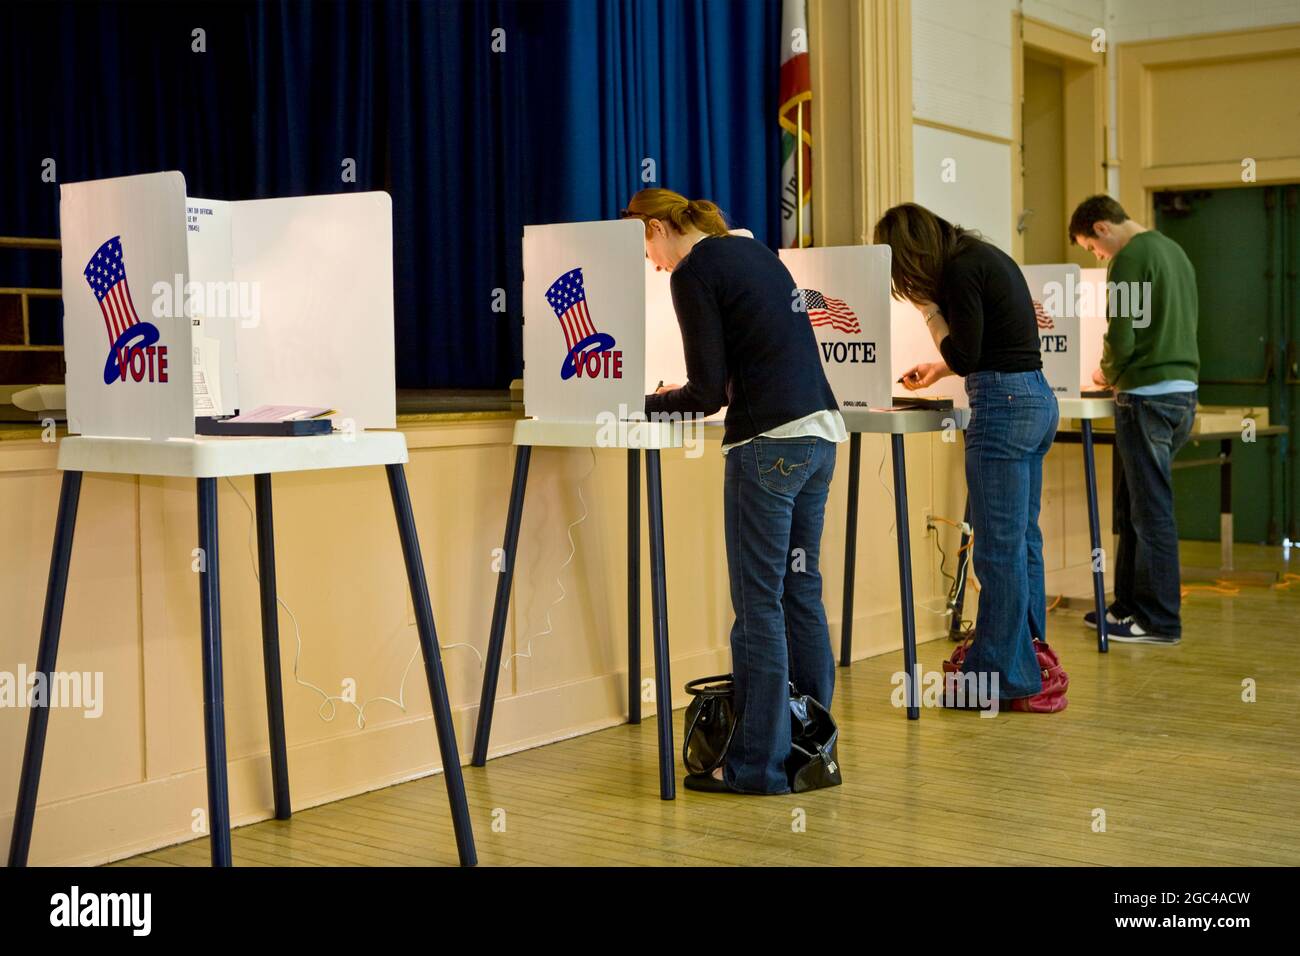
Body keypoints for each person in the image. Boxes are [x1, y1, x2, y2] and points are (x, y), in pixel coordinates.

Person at [623, 187, 846, 793]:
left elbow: (706, 395)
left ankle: (754, 768)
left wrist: (633, 402)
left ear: (660, 228)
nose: (650, 262)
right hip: (820, 437)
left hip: (767, 445)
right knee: (800, 594)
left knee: (758, 608)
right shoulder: (758, 253)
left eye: (644, 245)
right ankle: (809, 752)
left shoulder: (695, 271)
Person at [874, 203, 1059, 707]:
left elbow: (969, 354)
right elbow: (993, 345)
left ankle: (999, 676)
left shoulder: (957, 272)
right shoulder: (983, 256)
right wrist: (938, 370)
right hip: (1037, 400)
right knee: (1022, 540)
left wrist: (931, 315)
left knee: (997, 550)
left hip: (1003, 406)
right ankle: (1030, 659)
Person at [1069, 194, 1199, 645]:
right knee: (1133, 504)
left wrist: (1105, 371)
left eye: (1090, 248)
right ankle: (1124, 606)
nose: (1096, 256)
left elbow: (1122, 333)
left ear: (1103, 228)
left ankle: (1159, 621)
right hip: (1183, 394)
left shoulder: (1128, 259)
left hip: (1145, 396)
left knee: (1150, 512)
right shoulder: (1173, 251)